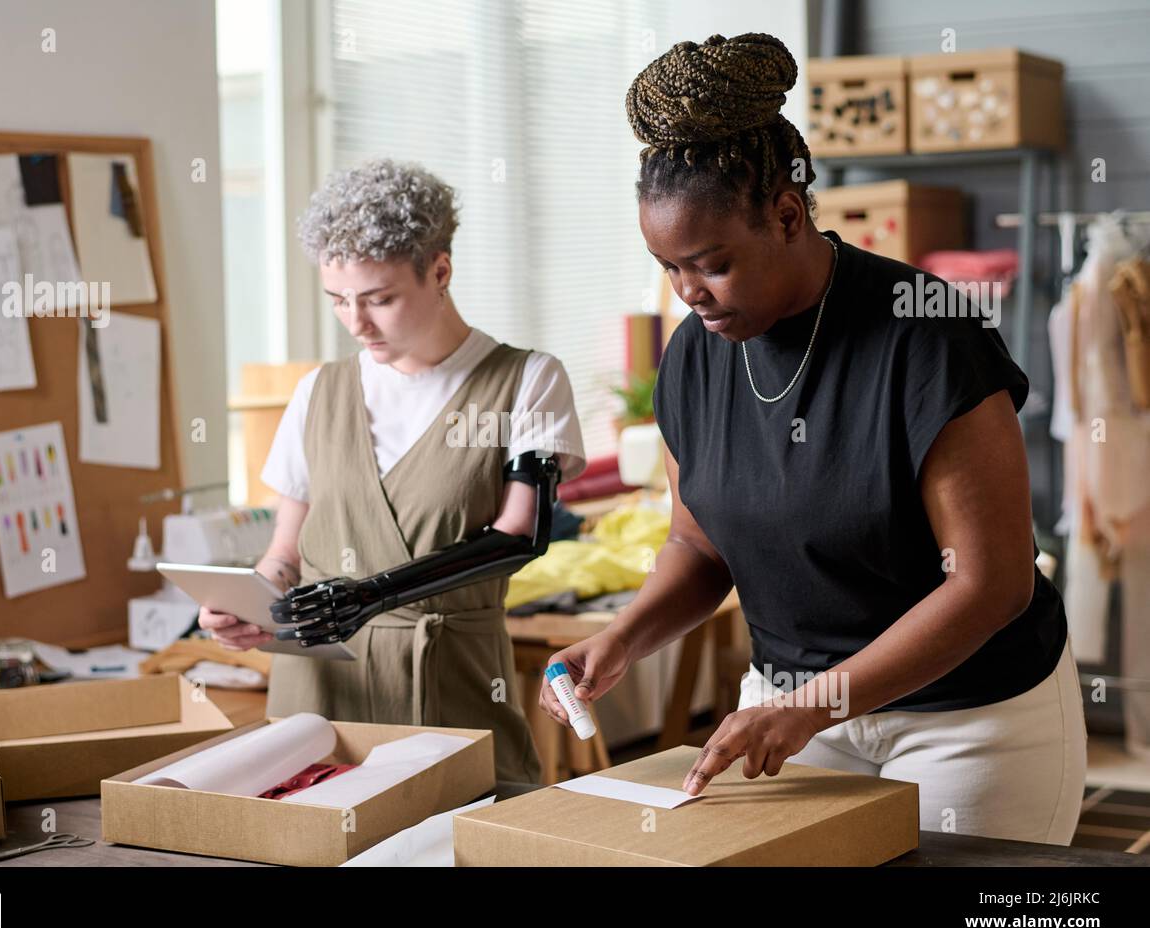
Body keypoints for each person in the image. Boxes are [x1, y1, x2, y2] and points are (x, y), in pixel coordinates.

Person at [540, 32, 1085, 844]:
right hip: (796, 708)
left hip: (966, 718)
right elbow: (699, 545)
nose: (689, 292)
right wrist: (624, 637)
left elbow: (992, 583)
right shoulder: (693, 353)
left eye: (711, 263)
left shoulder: (926, 336)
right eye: (668, 267)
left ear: (788, 215)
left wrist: (809, 705)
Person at [200, 159, 586, 784]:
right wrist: (247, 606)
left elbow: (522, 535)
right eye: (339, 301)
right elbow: (285, 556)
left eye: (379, 299)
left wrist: (371, 595)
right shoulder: (319, 393)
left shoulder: (524, 380)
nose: (357, 322)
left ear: (440, 271)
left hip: (447, 682)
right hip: (317, 695)